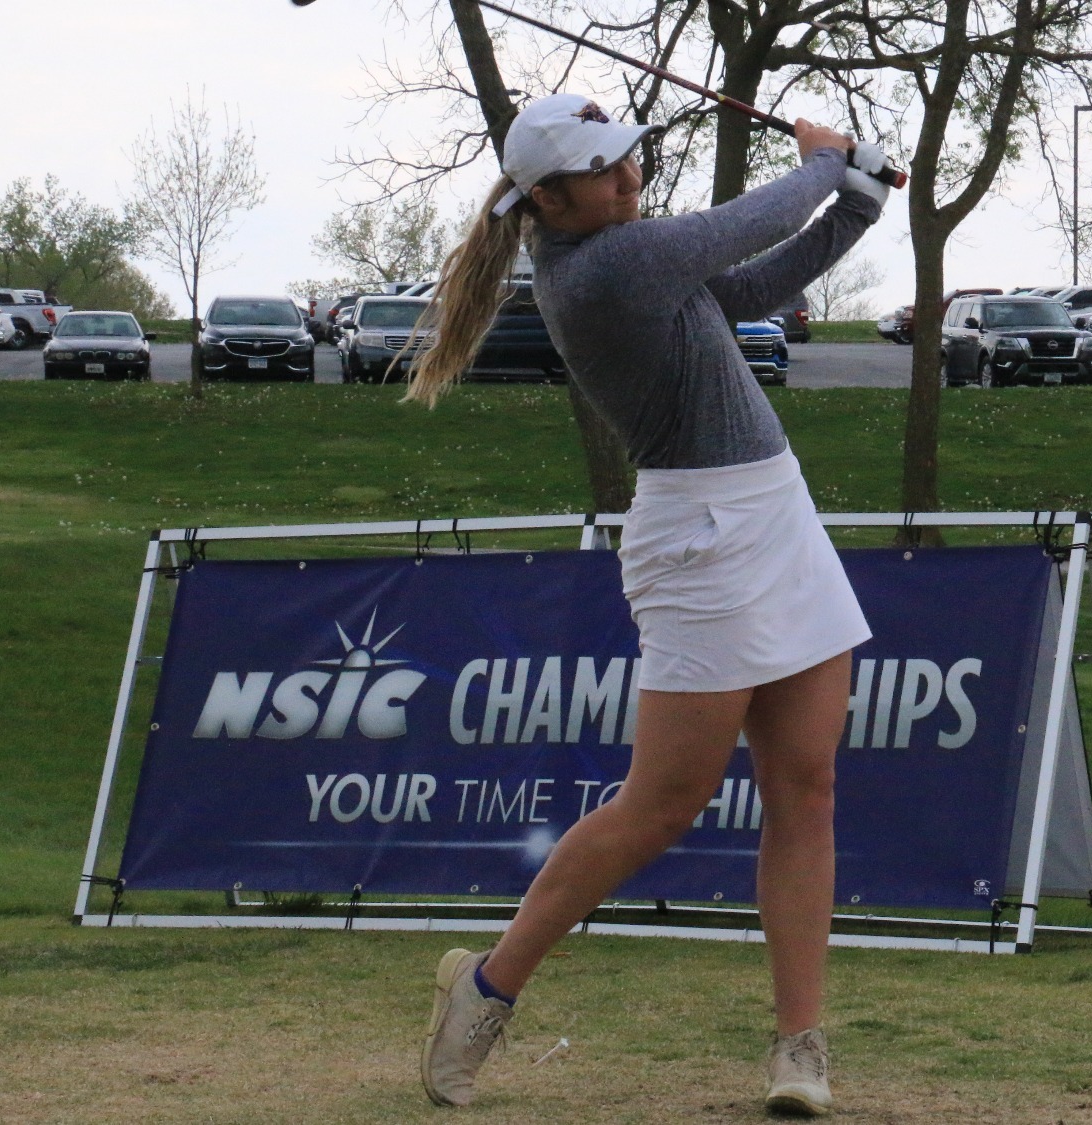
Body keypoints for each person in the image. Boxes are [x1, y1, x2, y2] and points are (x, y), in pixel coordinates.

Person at [402, 93, 892, 1115]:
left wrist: (854, 203)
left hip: (776, 514)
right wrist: (822, 161)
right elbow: (746, 225)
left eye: (629, 158)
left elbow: (747, 287)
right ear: (547, 199)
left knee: (805, 786)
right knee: (663, 803)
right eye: (603, 170)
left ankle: (799, 1048)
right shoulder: (605, 268)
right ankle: (486, 988)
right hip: (698, 539)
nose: (629, 178)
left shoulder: (630, 251)